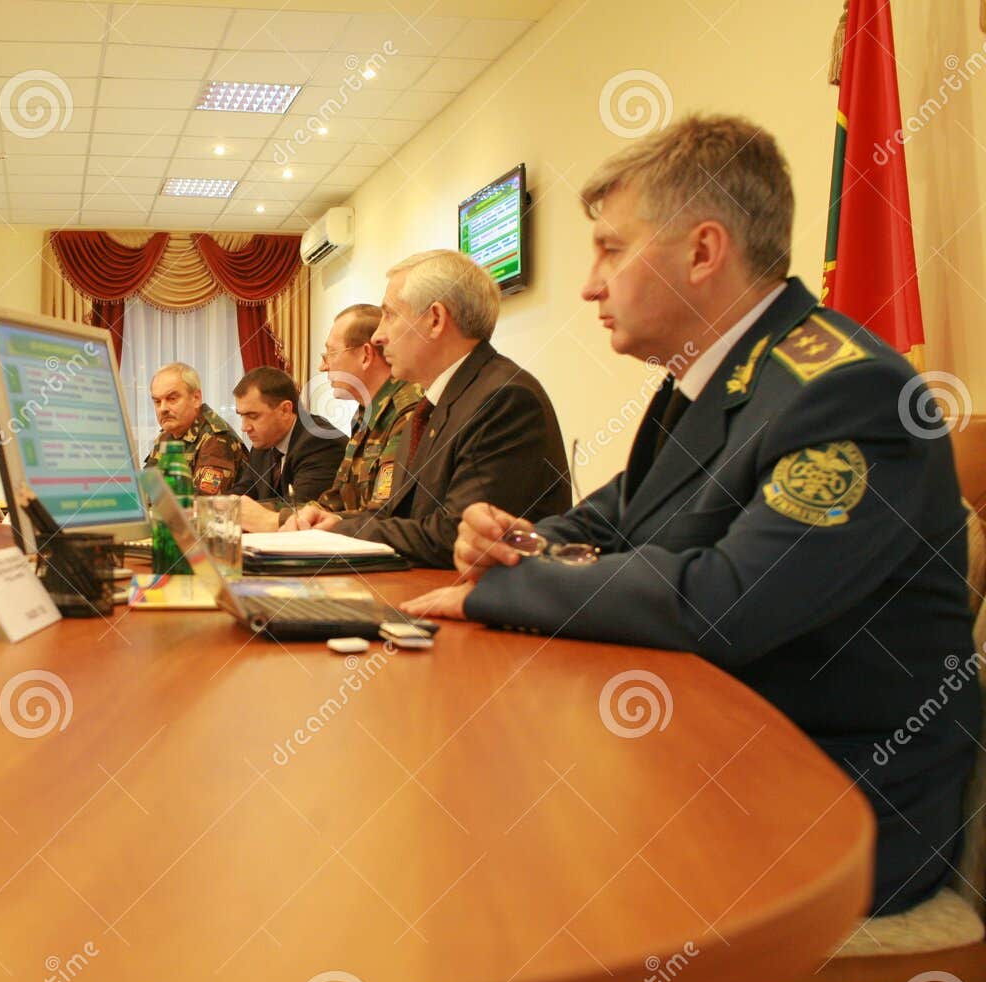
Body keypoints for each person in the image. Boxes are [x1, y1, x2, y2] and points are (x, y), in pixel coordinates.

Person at [403, 114, 978, 916]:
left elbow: (726, 600)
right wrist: (516, 540)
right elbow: (619, 516)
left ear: (704, 252)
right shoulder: (707, 375)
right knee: (482, 789)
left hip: (838, 795)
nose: (588, 285)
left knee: (505, 842)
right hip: (714, 743)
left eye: (610, 248)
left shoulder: (847, 390)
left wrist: (492, 591)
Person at [292, 250, 571, 566]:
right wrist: (335, 525)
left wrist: (345, 532)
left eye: (390, 315)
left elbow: (452, 535)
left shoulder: (503, 399)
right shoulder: (433, 405)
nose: (380, 336)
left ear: (435, 320)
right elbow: (397, 513)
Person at [260, 304, 423, 533]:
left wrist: (276, 519)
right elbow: (338, 501)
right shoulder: (364, 414)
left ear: (365, 355)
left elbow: (385, 514)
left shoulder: (408, 412)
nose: (323, 366)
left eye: (331, 353)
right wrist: (270, 512)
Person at [228, 367, 346, 523]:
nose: (244, 427)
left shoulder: (320, 441)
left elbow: (300, 508)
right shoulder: (262, 445)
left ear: (285, 410)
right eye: (242, 415)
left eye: (253, 416)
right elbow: (242, 493)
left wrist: (239, 509)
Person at [141, 362, 247, 495]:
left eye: (172, 399)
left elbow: (202, 503)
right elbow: (143, 489)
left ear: (196, 398)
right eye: (157, 401)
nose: (163, 409)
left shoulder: (217, 439)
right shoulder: (166, 436)